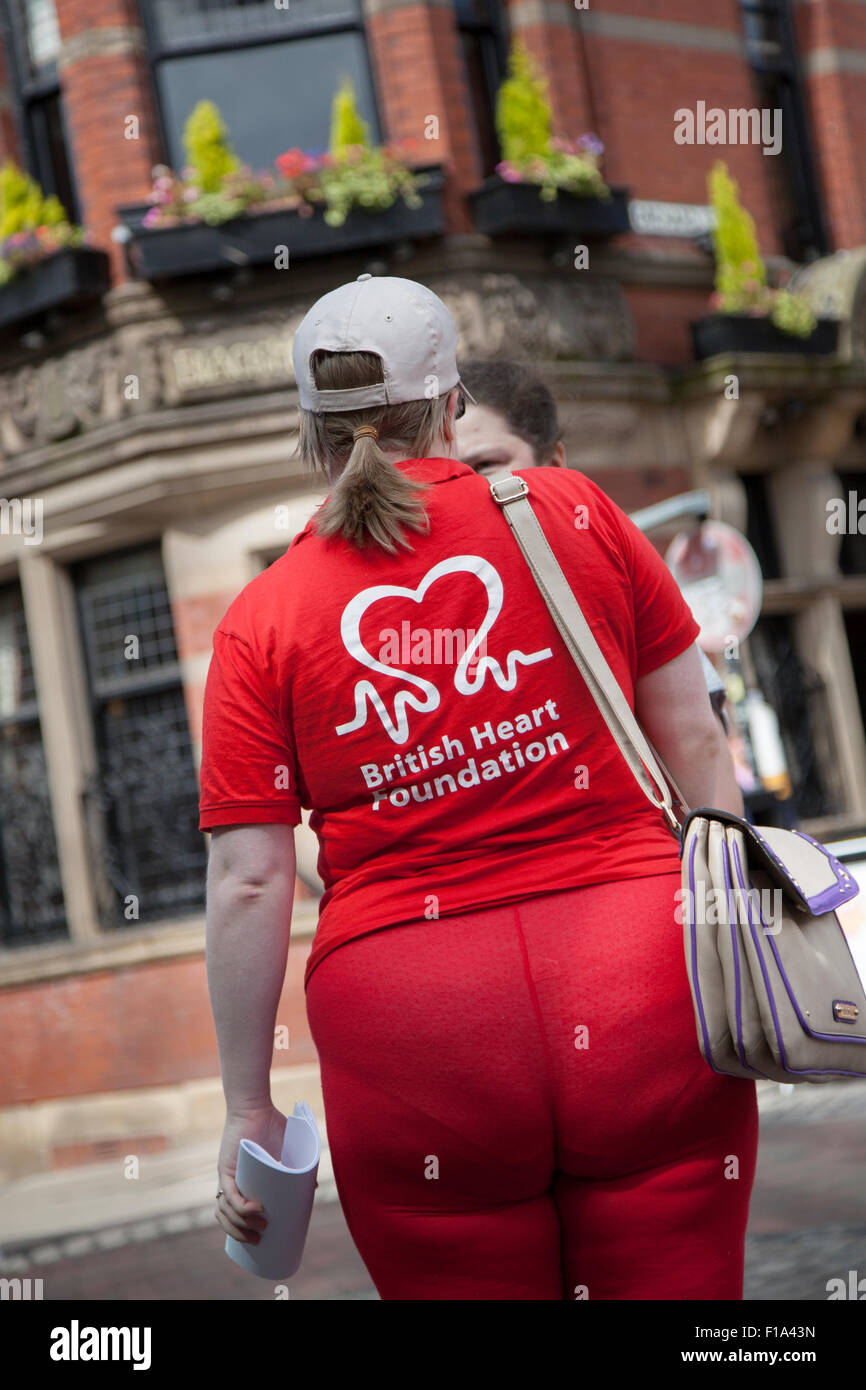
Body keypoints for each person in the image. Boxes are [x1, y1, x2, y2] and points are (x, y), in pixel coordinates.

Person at [201, 274, 757, 1301]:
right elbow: (691, 733)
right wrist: (731, 937)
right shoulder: (573, 510)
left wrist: (247, 1108)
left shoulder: (262, 619)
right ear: (451, 403)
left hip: (416, 1042)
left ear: (308, 429)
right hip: (639, 988)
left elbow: (247, 881)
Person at [456, 358, 731, 733]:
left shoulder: (615, 578)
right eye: (449, 475)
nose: (466, 490)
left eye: (485, 464)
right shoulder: (447, 618)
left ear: (554, 463)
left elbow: (702, 744)